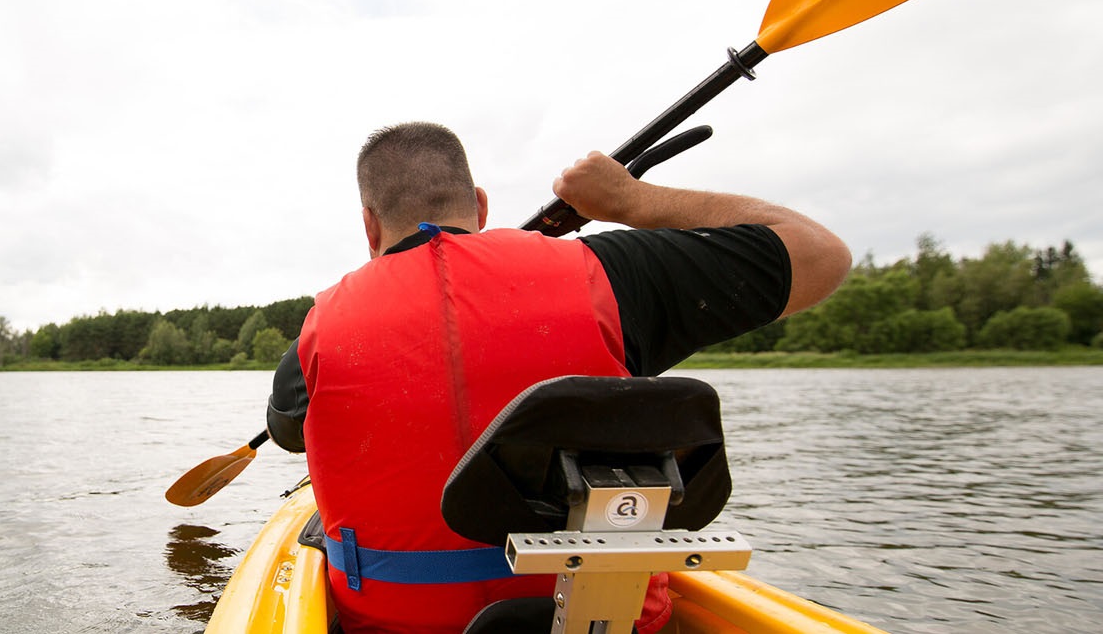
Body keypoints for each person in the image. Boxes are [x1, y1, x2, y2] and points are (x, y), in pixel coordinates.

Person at [265, 122, 850, 634]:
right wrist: (632, 201)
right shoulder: (607, 275)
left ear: (369, 226)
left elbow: (289, 433)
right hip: (608, 621)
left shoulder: (319, 329)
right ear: (481, 205)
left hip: (392, 624)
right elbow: (822, 254)